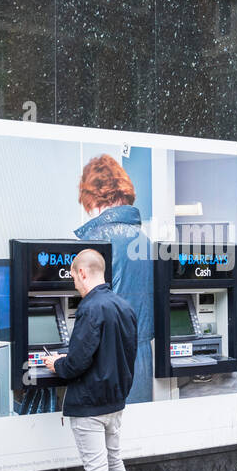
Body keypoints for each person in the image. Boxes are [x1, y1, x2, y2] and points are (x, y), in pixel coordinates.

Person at [42, 249, 138, 471]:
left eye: (72, 276)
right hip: (115, 401)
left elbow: (78, 361)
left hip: (89, 404)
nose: (73, 283)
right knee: (114, 464)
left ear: (82, 272)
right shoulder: (123, 307)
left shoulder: (90, 308)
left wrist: (57, 364)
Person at [74, 154, 153, 405]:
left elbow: (90, 316)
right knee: (135, 438)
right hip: (141, 359)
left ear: (92, 196)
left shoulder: (96, 242)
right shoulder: (145, 241)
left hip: (106, 365)